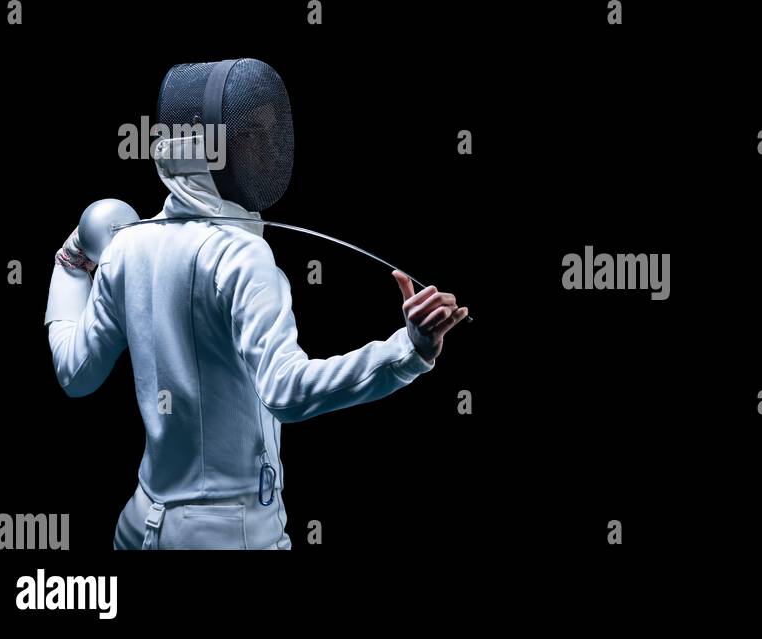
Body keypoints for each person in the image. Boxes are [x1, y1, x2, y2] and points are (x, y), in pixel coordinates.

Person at [44, 59, 469, 549]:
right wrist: (407, 351)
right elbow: (286, 392)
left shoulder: (126, 248)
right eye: (251, 135)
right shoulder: (242, 255)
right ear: (208, 149)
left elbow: (76, 374)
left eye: (273, 134)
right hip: (232, 536)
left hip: (138, 526)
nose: (269, 151)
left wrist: (70, 262)